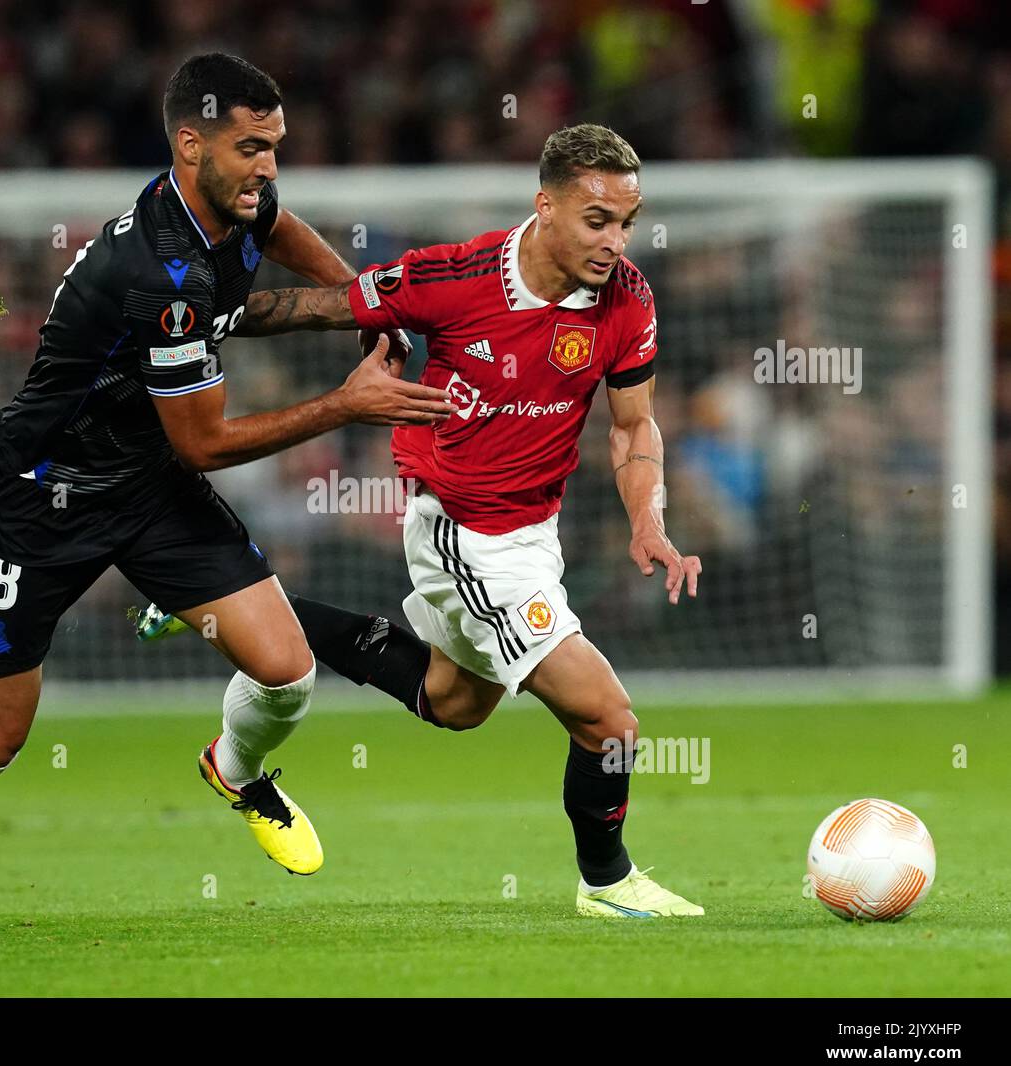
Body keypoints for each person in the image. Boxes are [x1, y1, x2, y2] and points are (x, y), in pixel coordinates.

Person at [0, 53, 450, 938]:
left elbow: (281, 231)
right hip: (37, 495)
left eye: (277, 146)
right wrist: (345, 404)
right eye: (253, 148)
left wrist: (365, 307)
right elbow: (204, 441)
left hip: (146, 484)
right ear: (190, 142)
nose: (269, 169)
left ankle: (236, 771)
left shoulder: (227, 201)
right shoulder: (162, 276)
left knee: (286, 669)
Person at [138, 123, 704, 918]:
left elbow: (633, 426)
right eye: (597, 219)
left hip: (533, 538)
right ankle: (607, 882)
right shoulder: (458, 275)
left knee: (454, 702)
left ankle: (222, 603)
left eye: (627, 222)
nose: (616, 241)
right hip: (462, 531)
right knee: (606, 714)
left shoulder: (627, 299)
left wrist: (648, 517)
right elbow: (326, 306)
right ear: (545, 207)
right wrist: (203, 313)